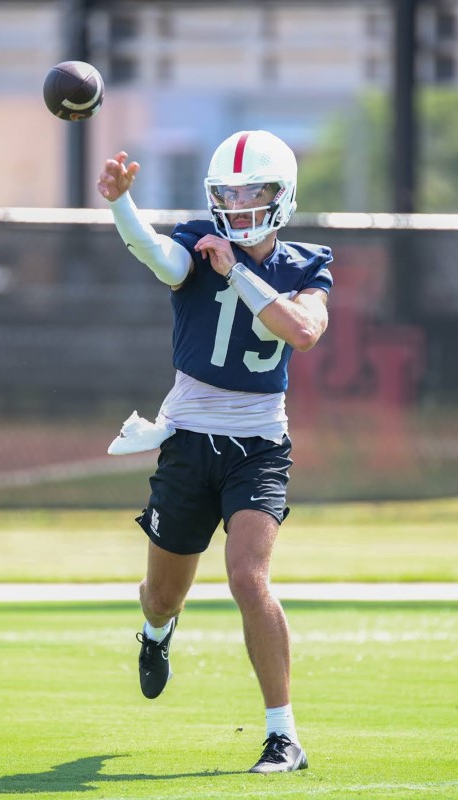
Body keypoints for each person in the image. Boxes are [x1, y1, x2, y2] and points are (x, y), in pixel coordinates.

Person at [96, 130, 333, 774]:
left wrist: (242, 273)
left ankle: (283, 735)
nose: (240, 203)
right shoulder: (199, 241)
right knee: (162, 595)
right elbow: (158, 259)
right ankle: (155, 632)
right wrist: (122, 203)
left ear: (281, 196)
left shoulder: (303, 264)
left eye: (253, 191)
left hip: (258, 446)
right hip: (188, 442)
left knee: (247, 576)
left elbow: (303, 331)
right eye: (229, 192)